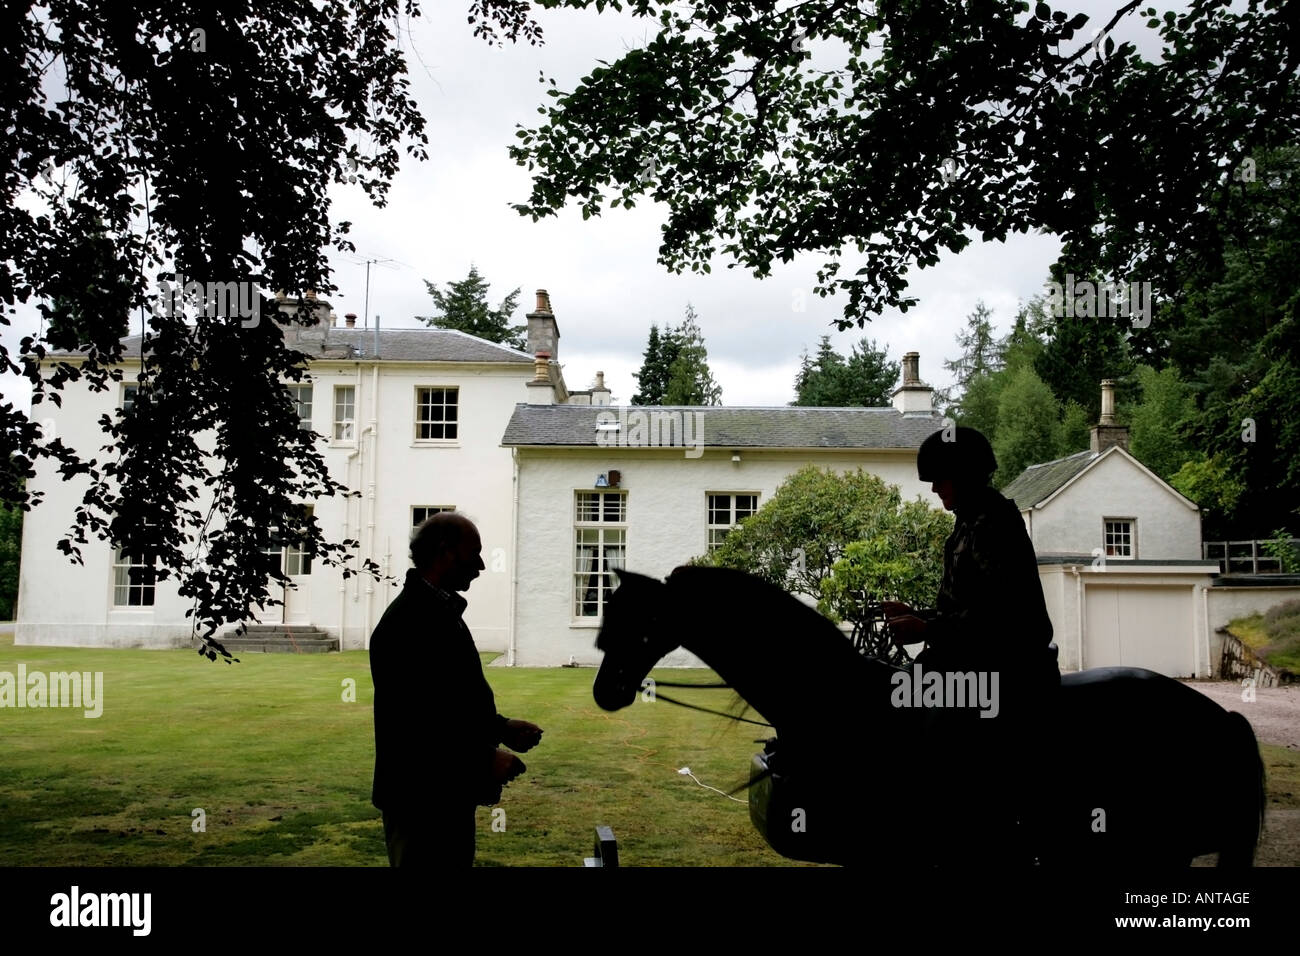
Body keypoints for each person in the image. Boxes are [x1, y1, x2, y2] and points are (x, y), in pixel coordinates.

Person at [882, 426, 1059, 860]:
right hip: (967, 663)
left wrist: (925, 630)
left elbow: (999, 620)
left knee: (935, 739)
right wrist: (919, 615)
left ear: (964, 474)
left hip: (1004, 671)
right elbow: (964, 609)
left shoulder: (994, 524)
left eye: (940, 479)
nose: (935, 489)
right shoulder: (968, 524)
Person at [369, 511, 543, 866]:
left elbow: (447, 702)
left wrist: (500, 727)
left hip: (443, 794)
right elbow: (413, 723)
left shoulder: (439, 611)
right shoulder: (407, 622)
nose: (480, 565)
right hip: (419, 799)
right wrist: (483, 759)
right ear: (445, 551)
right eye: (473, 553)